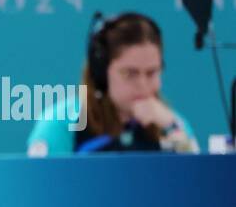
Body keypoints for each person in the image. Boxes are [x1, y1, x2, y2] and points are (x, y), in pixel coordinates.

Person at [27, 12, 200, 156]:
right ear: (101, 73)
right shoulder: (61, 124)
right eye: (130, 73)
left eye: (151, 73)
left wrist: (172, 130)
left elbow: (197, 185)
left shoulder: (172, 124)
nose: (142, 84)